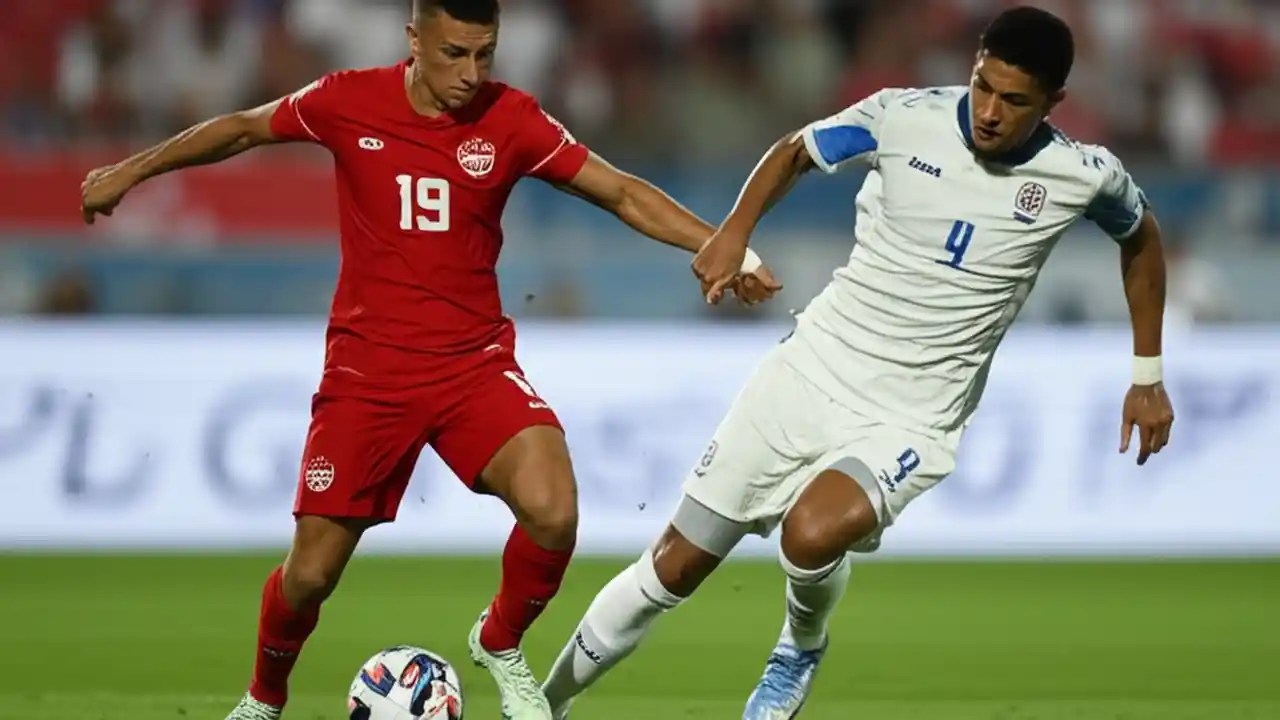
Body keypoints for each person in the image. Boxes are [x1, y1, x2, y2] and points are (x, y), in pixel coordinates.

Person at [78, 2, 781, 719]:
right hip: (367, 377)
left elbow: (621, 191)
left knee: (553, 511)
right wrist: (129, 172)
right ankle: (263, 698)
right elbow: (241, 128)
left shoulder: (510, 119)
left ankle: (499, 641)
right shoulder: (346, 100)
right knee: (311, 575)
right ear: (413, 41)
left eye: (486, 54)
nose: (471, 74)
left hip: (472, 367)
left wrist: (726, 245)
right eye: (454, 55)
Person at [540, 6, 1176, 719]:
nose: (991, 111)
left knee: (808, 535)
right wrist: (732, 233)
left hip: (911, 416)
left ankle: (798, 647)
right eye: (983, 86)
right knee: (672, 567)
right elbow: (795, 150)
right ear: (973, 66)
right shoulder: (901, 119)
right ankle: (543, 705)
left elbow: (1142, 238)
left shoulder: (1082, 174)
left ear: (1055, 103)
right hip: (812, 370)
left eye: (1015, 100)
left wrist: (1147, 373)